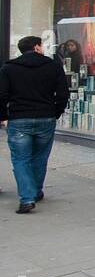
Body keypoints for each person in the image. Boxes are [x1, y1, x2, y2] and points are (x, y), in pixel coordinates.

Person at [0, 36, 70, 214]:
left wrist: (4, 116)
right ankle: (36, 191)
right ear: (37, 47)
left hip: (19, 118)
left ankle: (27, 197)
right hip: (46, 117)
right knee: (40, 157)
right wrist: (56, 112)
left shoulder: (9, 68)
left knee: (20, 159)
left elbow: (2, 95)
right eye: (42, 45)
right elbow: (63, 93)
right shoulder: (53, 66)